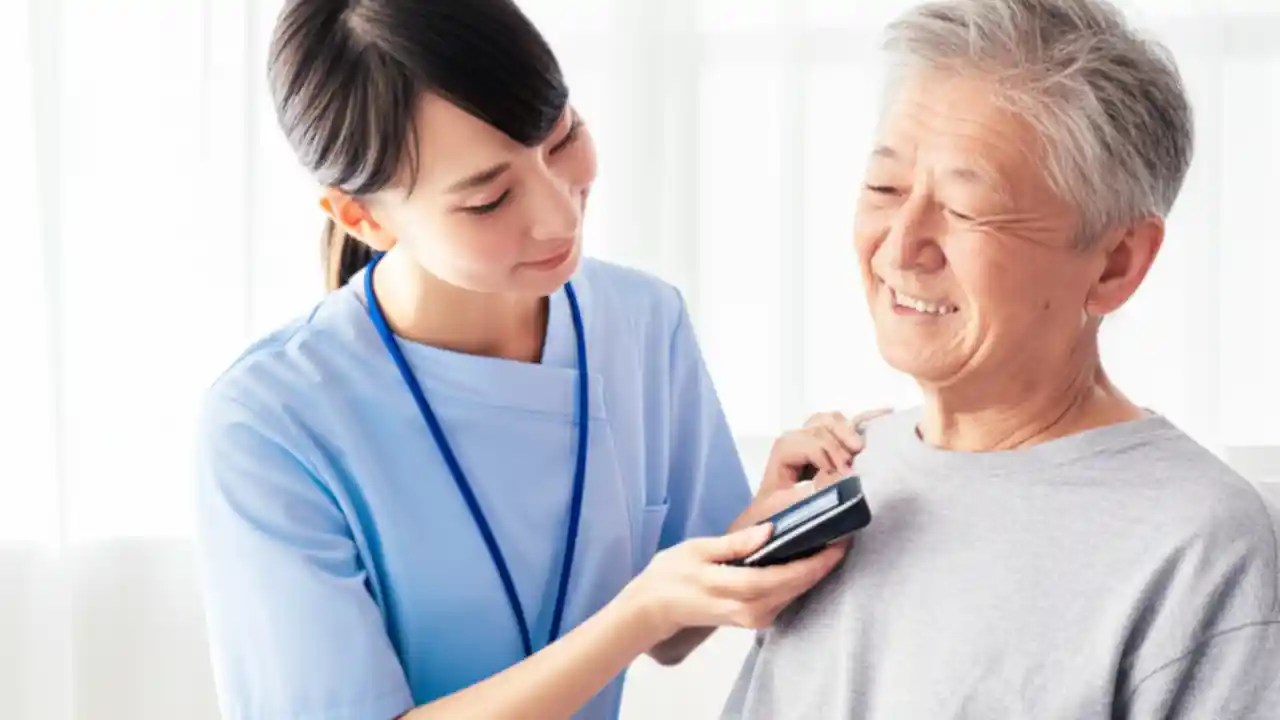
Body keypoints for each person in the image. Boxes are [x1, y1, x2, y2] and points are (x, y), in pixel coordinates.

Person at [193, 1, 872, 718]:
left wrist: (761, 527)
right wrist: (637, 611)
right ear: (363, 217)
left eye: (561, 139)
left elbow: (675, 634)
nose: (560, 215)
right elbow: (648, 614)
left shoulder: (643, 321)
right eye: (489, 199)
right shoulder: (269, 422)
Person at [724, 0, 1280, 718]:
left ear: (1114, 264)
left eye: (963, 209)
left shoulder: (1202, 547)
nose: (898, 249)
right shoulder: (845, 474)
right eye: (884, 190)